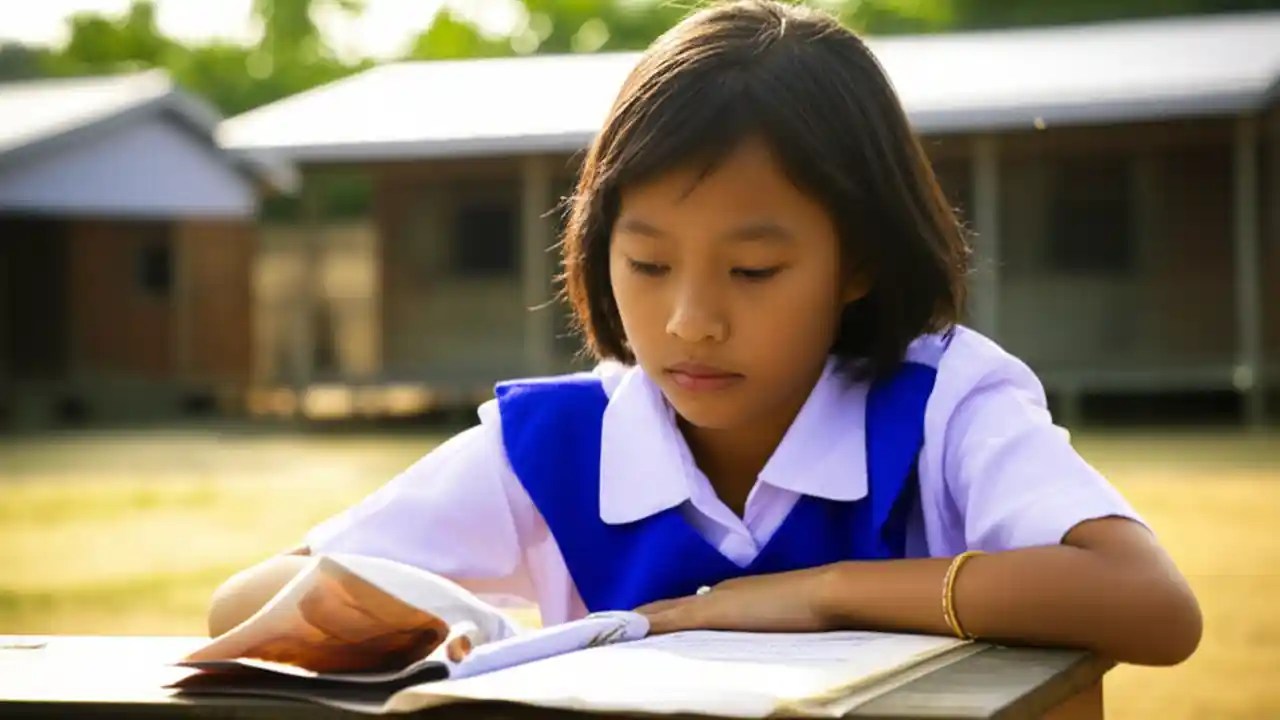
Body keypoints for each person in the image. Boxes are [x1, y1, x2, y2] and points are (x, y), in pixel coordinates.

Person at [209, 0, 1200, 667]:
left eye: (753, 270)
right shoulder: (558, 446)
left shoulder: (939, 407)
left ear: (855, 260)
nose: (688, 320)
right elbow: (246, 604)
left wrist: (822, 595)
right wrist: (442, 630)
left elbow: (1149, 606)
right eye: (644, 264)